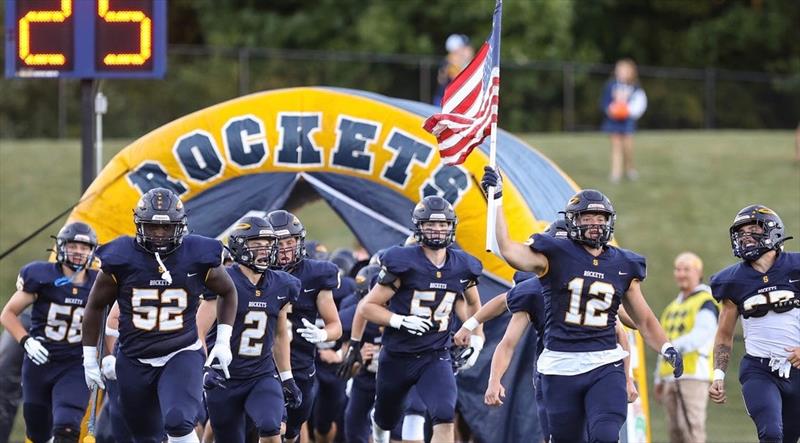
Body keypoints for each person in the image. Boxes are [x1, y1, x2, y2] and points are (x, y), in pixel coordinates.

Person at [481, 167, 682, 443]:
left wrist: (667, 347)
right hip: (560, 365)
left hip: (604, 363)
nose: (595, 224)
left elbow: (643, 319)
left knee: (605, 434)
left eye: (600, 218)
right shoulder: (555, 254)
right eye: (587, 217)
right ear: (574, 221)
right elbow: (509, 250)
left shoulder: (623, 264)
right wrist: (498, 199)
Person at [81, 187, 238, 443]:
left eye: (167, 228)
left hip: (181, 351)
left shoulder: (197, 254)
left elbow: (228, 291)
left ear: (181, 226)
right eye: (153, 227)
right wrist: (90, 358)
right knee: (146, 437)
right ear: (140, 225)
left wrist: (222, 341)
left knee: (178, 420)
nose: (160, 234)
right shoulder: (122, 257)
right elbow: (95, 306)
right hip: (133, 357)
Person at [358, 195, 484, 443]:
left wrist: (477, 338)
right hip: (397, 355)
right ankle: (379, 431)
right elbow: (368, 307)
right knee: (386, 418)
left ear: (451, 226)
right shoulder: (403, 261)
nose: (437, 230)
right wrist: (399, 320)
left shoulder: (463, 265)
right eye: (430, 224)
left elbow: (474, 304)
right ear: (418, 226)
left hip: (435, 354)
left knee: (444, 413)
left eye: (442, 224)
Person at [196, 216, 302, 443]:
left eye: (268, 244)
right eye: (258, 244)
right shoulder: (223, 280)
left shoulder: (282, 284)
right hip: (224, 377)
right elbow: (198, 332)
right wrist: (204, 368)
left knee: (271, 426)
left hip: (260, 374)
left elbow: (280, 334)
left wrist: (287, 377)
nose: (265, 251)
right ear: (240, 245)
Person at [708, 205, 800, 443]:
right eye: (741, 232)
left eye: (752, 229)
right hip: (760, 369)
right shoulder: (732, 280)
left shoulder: (796, 267)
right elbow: (724, 334)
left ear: (773, 231)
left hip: (798, 369)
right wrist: (718, 374)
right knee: (771, 434)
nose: (745, 236)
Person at [0, 222, 98, 443]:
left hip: (75, 363)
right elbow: (8, 314)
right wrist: (26, 341)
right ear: (61, 247)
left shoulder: (98, 283)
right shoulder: (41, 275)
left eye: (84, 247)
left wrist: (107, 357)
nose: (79, 252)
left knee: (67, 428)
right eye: (74, 246)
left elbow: (112, 321)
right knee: (37, 433)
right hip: (39, 362)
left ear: (92, 251)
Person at [265, 210, 342, 443]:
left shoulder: (316, 274)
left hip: (301, 363)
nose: (286, 248)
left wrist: (322, 333)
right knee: (271, 426)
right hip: (262, 362)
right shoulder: (256, 272)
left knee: (292, 432)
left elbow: (335, 326)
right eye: (279, 243)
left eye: (290, 241)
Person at [654, 252, 718, 443]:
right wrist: (658, 377)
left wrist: (673, 348)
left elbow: (701, 334)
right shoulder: (672, 307)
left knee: (691, 429)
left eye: (686, 269)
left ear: (698, 272)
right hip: (670, 377)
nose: (681, 274)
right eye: (678, 269)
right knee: (675, 432)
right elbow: (662, 343)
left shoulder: (706, 301)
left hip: (694, 374)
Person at [600, 58, 647, 183]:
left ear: (631, 72)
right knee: (616, 146)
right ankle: (616, 172)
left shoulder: (635, 87)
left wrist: (629, 111)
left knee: (628, 147)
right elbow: (604, 102)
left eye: (625, 70)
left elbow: (640, 103)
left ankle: (629, 168)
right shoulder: (610, 85)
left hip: (627, 121)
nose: (622, 72)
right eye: (619, 69)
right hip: (613, 121)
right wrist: (609, 109)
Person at [433, 34, 474, 106]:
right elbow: (443, 80)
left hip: (450, 100)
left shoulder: (454, 61)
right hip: (444, 99)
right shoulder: (449, 61)